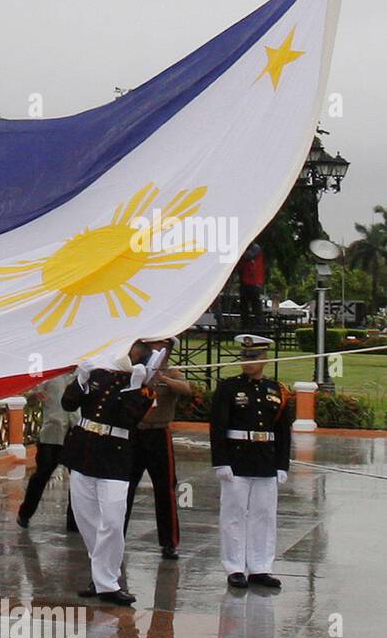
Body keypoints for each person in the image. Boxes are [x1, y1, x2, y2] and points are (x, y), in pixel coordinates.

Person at [61, 343, 160, 606]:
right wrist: (80, 381)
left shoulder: (142, 385)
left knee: (113, 520)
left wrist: (135, 389)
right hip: (84, 451)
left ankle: (108, 581)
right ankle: (102, 579)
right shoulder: (98, 374)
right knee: (86, 518)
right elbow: (68, 404)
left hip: (115, 456)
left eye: (136, 348)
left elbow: (129, 419)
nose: (131, 352)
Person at [210, 334, 292, 590]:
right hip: (237, 457)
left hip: (265, 458)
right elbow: (218, 426)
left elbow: (282, 431)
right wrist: (221, 461)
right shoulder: (228, 388)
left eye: (253, 358)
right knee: (233, 514)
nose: (247, 362)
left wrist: (282, 464)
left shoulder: (276, 390)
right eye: (244, 357)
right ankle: (235, 567)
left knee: (264, 515)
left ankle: (260, 567)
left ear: (264, 359)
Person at [124, 336, 192, 560]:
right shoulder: (132, 370)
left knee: (165, 488)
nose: (157, 349)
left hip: (158, 433)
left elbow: (186, 389)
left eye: (163, 346)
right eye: (153, 345)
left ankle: (169, 542)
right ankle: (117, 536)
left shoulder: (171, 373)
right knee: (124, 488)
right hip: (134, 432)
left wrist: (163, 379)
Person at [16, 371, 78, 529]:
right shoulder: (50, 375)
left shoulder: (83, 375)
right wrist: (35, 396)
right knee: (42, 474)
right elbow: (30, 400)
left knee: (78, 479)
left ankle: (74, 521)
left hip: (77, 432)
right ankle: (25, 513)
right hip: (53, 433)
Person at [237, 242, 267, 331]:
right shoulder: (249, 248)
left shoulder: (255, 248)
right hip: (245, 280)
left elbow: (248, 256)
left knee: (255, 304)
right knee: (244, 305)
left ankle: (259, 325)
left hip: (254, 281)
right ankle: (245, 325)